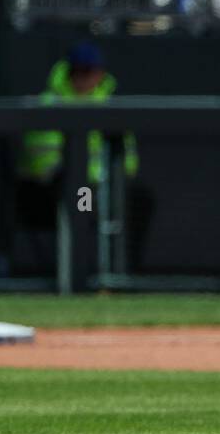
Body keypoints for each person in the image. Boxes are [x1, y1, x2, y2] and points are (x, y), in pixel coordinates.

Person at [16, 42, 152, 272]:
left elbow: (127, 157)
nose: (88, 78)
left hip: (102, 187)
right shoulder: (49, 103)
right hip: (57, 188)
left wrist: (114, 180)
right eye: (81, 71)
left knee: (140, 199)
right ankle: (76, 275)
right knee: (81, 199)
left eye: (93, 72)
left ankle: (121, 275)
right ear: (71, 72)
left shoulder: (110, 106)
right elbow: (41, 162)